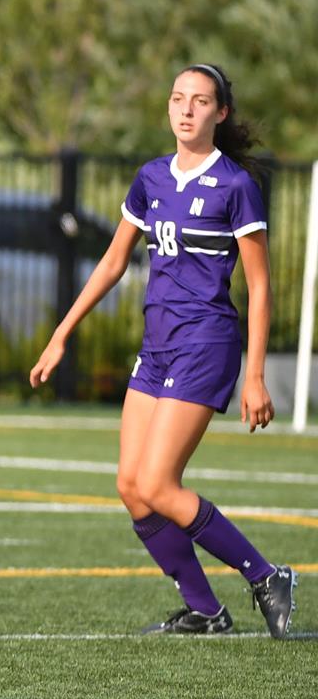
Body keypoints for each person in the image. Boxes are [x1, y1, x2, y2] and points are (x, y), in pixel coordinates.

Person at [30, 63, 296, 638]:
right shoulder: (150, 178)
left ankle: (266, 575)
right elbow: (111, 262)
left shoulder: (236, 186)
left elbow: (260, 285)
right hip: (157, 348)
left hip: (207, 343)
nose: (186, 109)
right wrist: (61, 333)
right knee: (131, 486)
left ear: (220, 113)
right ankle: (205, 610)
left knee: (158, 485)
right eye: (178, 99)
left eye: (200, 101)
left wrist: (255, 375)